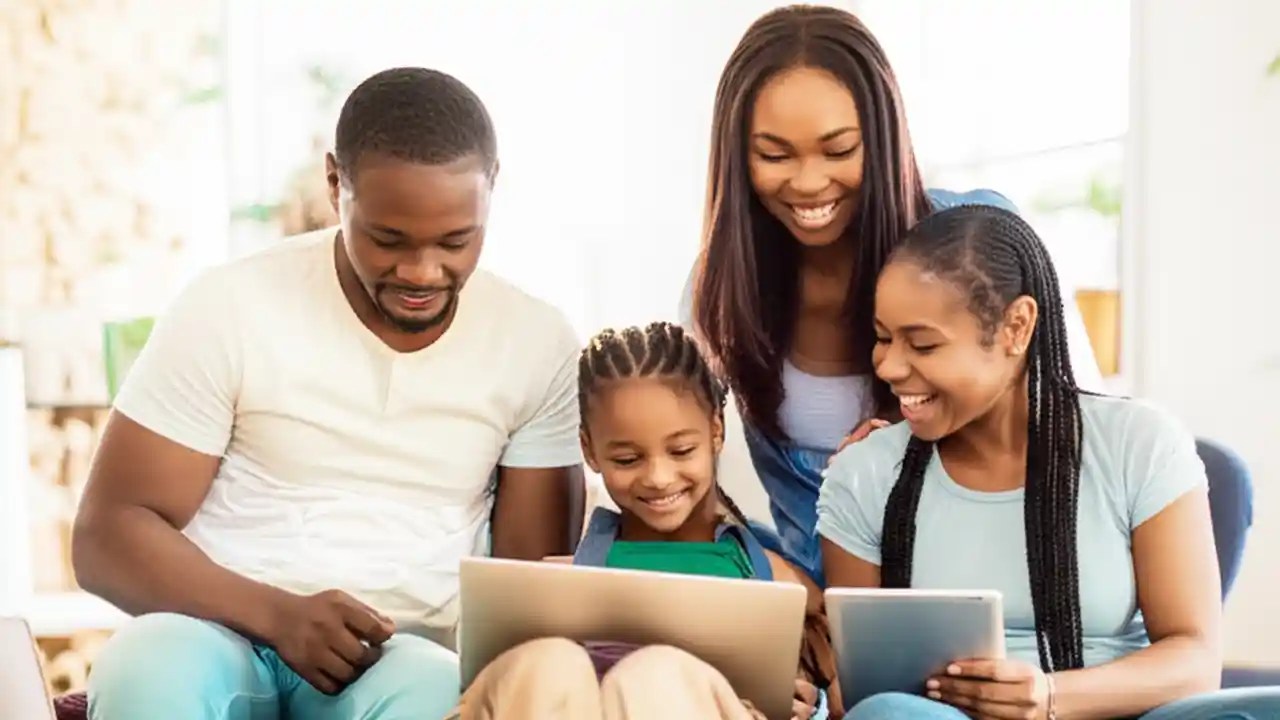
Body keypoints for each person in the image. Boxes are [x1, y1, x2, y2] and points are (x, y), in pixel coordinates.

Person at [73, 67, 585, 720]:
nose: (423, 271)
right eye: (388, 240)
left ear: (492, 190)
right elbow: (105, 536)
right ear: (335, 183)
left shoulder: (534, 341)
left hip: (402, 658)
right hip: (216, 631)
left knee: (435, 692)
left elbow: (527, 589)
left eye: (456, 241)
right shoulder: (231, 305)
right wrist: (277, 615)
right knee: (145, 662)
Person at [681, 4, 1107, 587]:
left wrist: (920, 443)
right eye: (774, 155)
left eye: (838, 150)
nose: (807, 182)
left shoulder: (977, 237)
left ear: (881, 141)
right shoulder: (725, 290)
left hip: (981, 582)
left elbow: (1077, 421)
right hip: (818, 595)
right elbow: (685, 469)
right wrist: (780, 580)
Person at [817, 204, 1280, 718]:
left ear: (1017, 326)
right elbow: (851, 692)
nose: (889, 366)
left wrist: (1050, 697)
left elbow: (1194, 658)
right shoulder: (865, 475)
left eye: (922, 344)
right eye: (883, 338)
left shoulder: (1139, 443)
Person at [451, 322, 829, 719]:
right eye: (628, 460)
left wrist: (809, 705)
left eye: (681, 450)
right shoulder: (556, 585)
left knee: (657, 678)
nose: (658, 478)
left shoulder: (776, 581)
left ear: (716, 431)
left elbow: (828, 694)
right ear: (589, 450)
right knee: (548, 665)